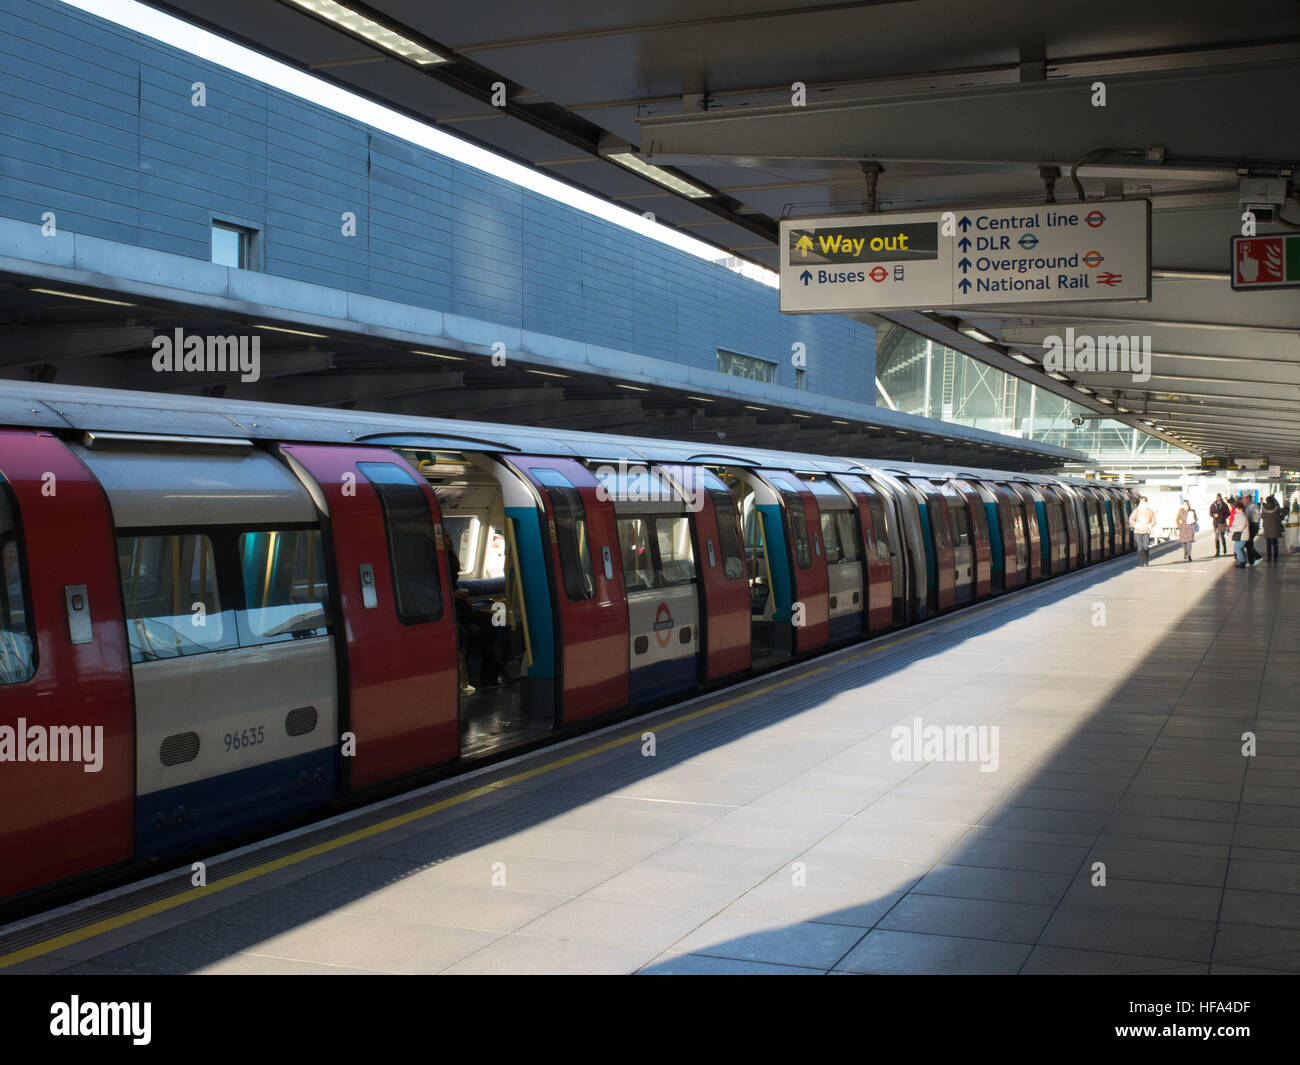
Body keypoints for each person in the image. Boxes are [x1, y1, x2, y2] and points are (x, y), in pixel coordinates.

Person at [1129, 495, 1157, 567]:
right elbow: (1131, 520)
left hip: (1146, 531)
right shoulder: (1136, 511)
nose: (1142, 503)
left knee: (1146, 547)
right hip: (1138, 531)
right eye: (1141, 501)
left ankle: (1146, 560)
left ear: (1146, 502)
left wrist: (1149, 526)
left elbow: (1154, 521)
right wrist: (1136, 525)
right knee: (1140, 547)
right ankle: (1141, 562)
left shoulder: (1150, 511)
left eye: (1144, 501)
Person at [1229, 501, 1253, 568]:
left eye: (1236, 508)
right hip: (1239, 536)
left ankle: (1242, 561)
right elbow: (1234, 525)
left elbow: (1240, 527)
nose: (1235, 510)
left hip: (1242, 536)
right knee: (1240, 548)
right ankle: (1243, 561)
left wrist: (1231, 529)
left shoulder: (1243, 517)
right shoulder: (1237, 516)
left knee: (1237, 548)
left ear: (1240, 509)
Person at [1261, 494, 1283, 564]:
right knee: (1275, 543)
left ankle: (1269, 557)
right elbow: (1280, 515)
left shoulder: (1264, 508)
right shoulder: (1276, 507)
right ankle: (1275, 558)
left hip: (1267, 528)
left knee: (1268, 544)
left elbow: (1262, 516)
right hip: (1275, 527)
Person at [1245, 496, 1262, 566]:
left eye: (1245, 499)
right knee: (1249, 543)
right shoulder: (1247, 506)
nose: (1244, 501)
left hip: (1253, 525)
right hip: (1249, 525)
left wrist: (1252, 518)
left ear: (1248, 500)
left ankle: (1254, 559)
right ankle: (1254, 559)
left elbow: (1258, 515)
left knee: (1248, 543)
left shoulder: (1254, 506)